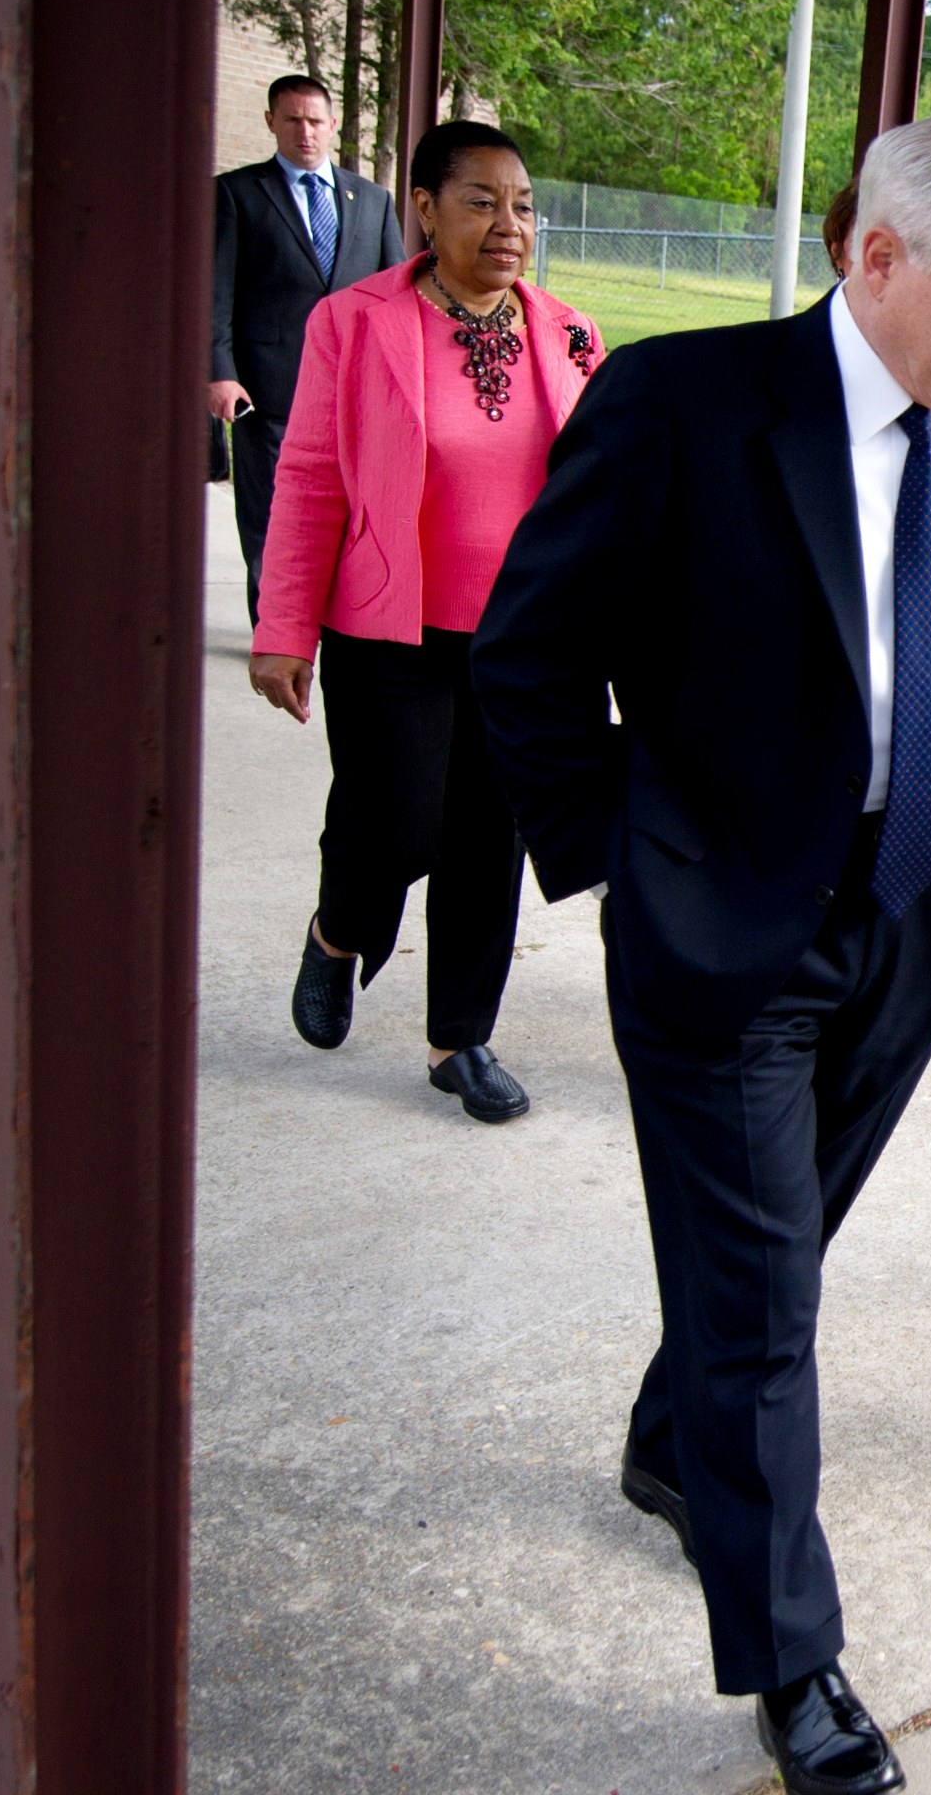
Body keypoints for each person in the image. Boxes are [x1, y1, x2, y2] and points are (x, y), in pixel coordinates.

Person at [471, 114, 931, 1795]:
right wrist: (627, 864)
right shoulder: (683, 406)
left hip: (917, 916)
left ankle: (674, 1451)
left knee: (773, 1261)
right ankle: (793, 1662)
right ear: (875, 257)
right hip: (722, 935)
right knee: (762, 1314)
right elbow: (526, 655)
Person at [249, 120, 601, 1123]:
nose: (509, 224)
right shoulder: (352, 323)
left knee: (486, 843)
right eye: (483, 200)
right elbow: (311, 477)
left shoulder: (568, 334)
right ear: (425, 209)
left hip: (518, 642)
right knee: (393, 816)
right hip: (387, 629)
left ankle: (460, 1040)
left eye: (524, 204)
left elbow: (594, 498)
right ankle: (341, 929)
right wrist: (285, 627)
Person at [214, 74, 407, 618]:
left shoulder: (371, 199)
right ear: (271, 121)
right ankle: (275, 624)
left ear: (332, 125)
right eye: (293, 119)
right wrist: (219, 371)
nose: (306, 131)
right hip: (268, 385)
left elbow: (394, 296)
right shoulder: (236, 194)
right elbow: (214, 291)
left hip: (355, 387)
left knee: (347, 510)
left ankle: (334, 617)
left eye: (315, 120)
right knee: (273, 513)